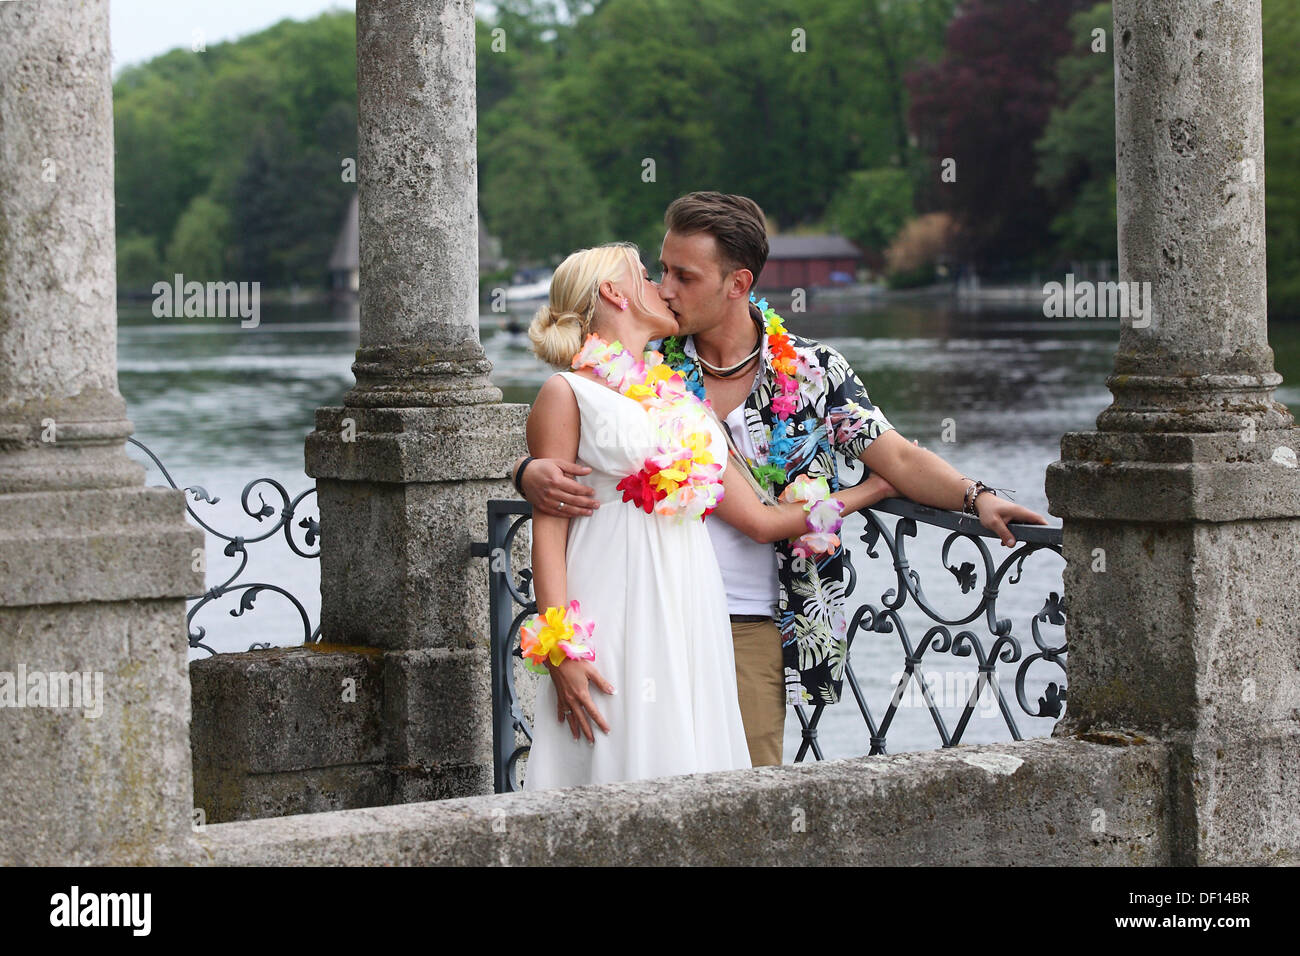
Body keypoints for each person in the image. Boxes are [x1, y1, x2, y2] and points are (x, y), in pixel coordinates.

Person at [514, 193, 1048, 769]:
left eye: (683, 276)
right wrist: (528, 472)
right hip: (638, 612)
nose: (666, 287)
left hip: (745, 622)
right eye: (660, 271)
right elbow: (576, 434)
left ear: (737, 284)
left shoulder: (814, 370)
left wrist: (979, 497)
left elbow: (897, 458)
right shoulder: (650, 358)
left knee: (737, 799)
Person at [520, 242, 897, 791]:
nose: (664, 289)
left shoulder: (677, 399)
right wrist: (560, 651)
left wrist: (870, 490)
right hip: (615, 604)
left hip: (693, 609)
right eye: (650, 277)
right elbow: (547, 534)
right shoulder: (566, 392)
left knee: (693, 764)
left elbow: (765, 521)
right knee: (616, 754)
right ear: (614, 293)